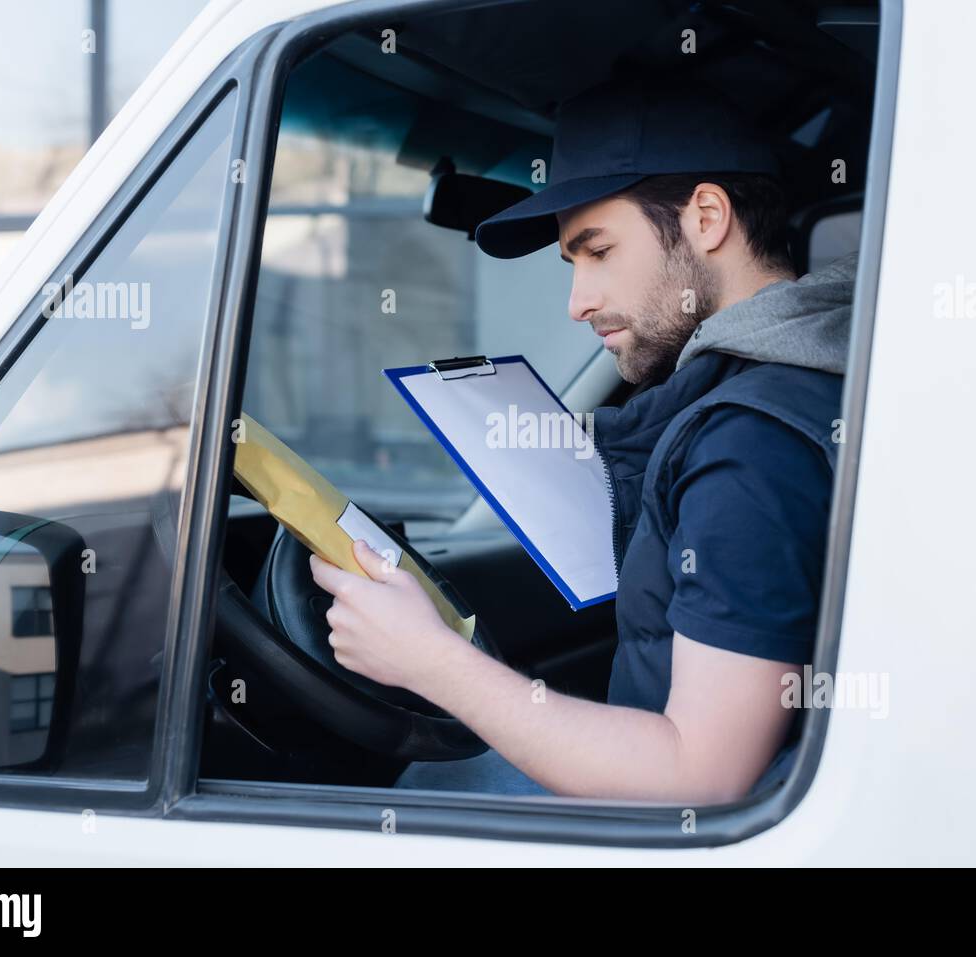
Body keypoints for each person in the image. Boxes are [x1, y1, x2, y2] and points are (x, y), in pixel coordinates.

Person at [308, 78, 854, 802]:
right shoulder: (824, 376)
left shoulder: (747, 444)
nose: (577, 303)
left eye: (597, 251)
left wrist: (428, 659)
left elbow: (701, 775)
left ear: (708, 217)